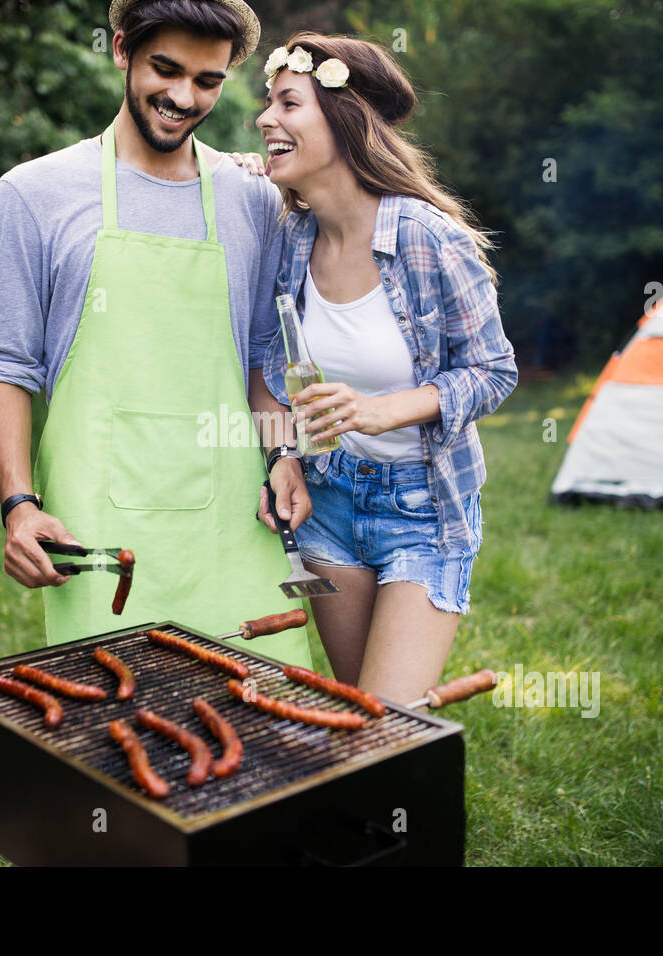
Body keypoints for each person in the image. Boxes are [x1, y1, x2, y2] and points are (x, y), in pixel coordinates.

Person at [0, 0, 312, 666]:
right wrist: (18, 505)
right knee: (115, 732)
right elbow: (7, 364)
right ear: (122, 49)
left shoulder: (253, 197)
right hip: (98, 527)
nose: (184, 97)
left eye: (208, 81)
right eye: (166, 69)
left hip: (233, 525)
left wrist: (282, 459)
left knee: (270, 733)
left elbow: (261, 363)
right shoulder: (34, 192)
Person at [252, 32, 518, 706]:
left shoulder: (429, 238)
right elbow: (270, 359)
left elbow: (493, 369)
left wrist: (384, 409)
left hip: (423, 509)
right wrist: (284, 457)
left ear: (343, 123)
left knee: (390, 724)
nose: (264, 119)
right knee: (357, 713)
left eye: (288, 103)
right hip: (329, 501)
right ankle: (374, 816)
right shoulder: (293, 237)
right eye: (266, 102)